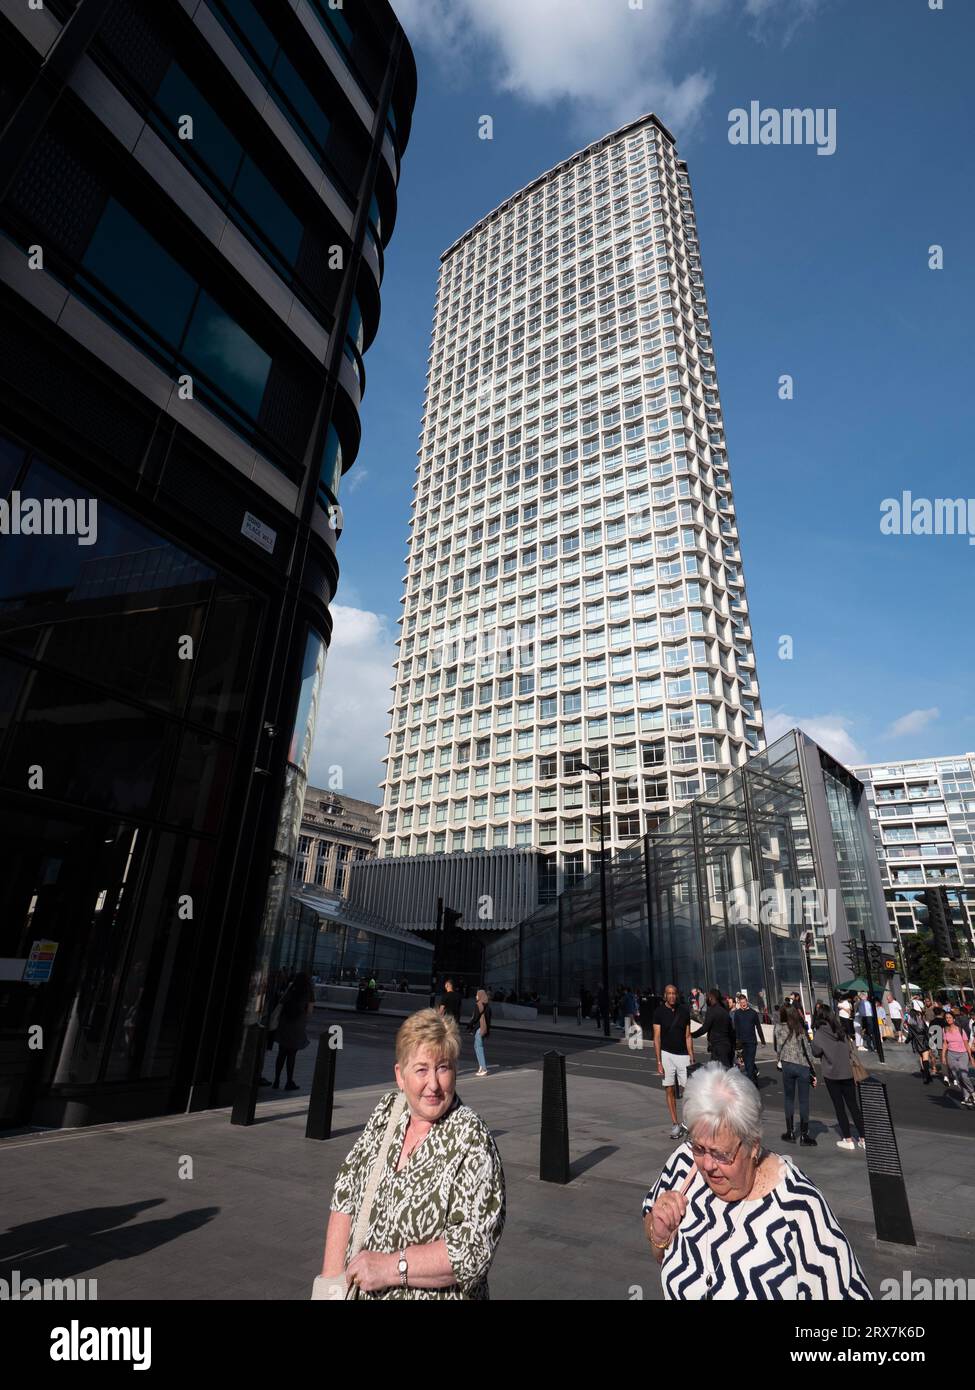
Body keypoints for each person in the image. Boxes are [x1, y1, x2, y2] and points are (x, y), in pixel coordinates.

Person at [316, 1010, 505, 1300]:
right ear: (399, 1076)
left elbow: (471, 1250)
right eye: (421, 1069)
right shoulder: (388, 1111)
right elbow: (346, 1192)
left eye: (443, 1067)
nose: (433, 1084)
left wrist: (390, 1267)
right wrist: (330, 1284)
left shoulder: (471, 1137)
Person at [641, 1063, 871, 1300]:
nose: (708, 1164)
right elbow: (654, 1234)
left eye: (720, 1153)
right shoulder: (684, 1164)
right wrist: (658, 1235)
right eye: (700, 1148)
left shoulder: (799, 1206)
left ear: (753, 1146)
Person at [812, 1007, 866, 1149]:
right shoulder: (840, 1030)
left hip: (831, 1073)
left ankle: (848, 1139)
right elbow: (849, 1049)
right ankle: (863, 1138)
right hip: (847, 1071)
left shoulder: (819, 1033)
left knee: (839, 1106)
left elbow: (816, 1051)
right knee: (853, 1105)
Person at [653, 984, 695, 1140]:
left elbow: (688, 1035)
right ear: (665, 995)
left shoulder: (684, 1011)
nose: (671, 996)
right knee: (669, 1089)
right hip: (666, 1054)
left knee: (688, 1090)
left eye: (674, 993)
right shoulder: (658, 1012)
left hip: (683, 1054)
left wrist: (691, 1055)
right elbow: (656, 1037)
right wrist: (658, 1061)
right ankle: (675, 1124)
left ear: (677, 995)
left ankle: (687, 1121)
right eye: (669, 993)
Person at [774, 1005, 818, 1146]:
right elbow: (808, 1050)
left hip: (787, 1064)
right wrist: (813, 1071)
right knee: (804, 1101)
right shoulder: (800, 1027)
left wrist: (779, 1058)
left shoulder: (779, 1028)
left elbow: (777, 1047)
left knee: (789, 1098)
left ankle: (790, 1132)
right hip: (802, 1065)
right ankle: (804, 1135)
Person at [273, 972, 314, 1090]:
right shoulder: (308, 991)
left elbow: (281, 1001)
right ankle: (289, 1081)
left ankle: (276, 1080)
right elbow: (310, 1011)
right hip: (297, 1023)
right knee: (292, 1054)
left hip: (285, 1022)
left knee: (281, 1052)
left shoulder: (292, 987)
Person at [690, 988, 736, 1068]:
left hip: (718, 1047)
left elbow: (705, 1028)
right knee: (722, 1070)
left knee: (721, 1072)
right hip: (726, 1046)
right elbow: (731, 1030)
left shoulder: (711, 1011)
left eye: (707, 997)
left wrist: (691, 1035)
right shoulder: (724, 1011)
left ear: (711, 998)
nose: (706, 999)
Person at [940, 1009, 975, 1107]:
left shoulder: (960, 1029)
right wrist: (943, 1056)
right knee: (958, 1077)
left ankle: (972, 1092)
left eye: (950, 1017)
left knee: (964, 1075)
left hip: (962, 1054)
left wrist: (970, 1057)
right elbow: (945, 1044)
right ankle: (966, 1096)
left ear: (954, 1019)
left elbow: (966, 1044)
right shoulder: (944, 1030)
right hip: (951, 1054)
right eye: (946, 1018)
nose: (948, 1019)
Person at [733, 993, 765, 1083]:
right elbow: (736, 1028)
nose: (743, 1004)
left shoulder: (753, 1013)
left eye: (744, 1002)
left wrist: (762, 1041)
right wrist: (736, 1043)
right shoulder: (737, 1013)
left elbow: (758, 1027)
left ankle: (751, 1085)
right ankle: (754, 1082)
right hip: (742, 1042)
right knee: (747, 1065)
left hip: (751, 1042)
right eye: (741, 1002)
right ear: (739, 1003)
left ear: (747, 1001)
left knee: (750, 1063)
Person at [904, 1009, 934, 1084]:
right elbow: (926, 1031)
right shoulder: (921, 1022)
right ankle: (926, 1076)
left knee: (921, 1057)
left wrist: (907, 1041)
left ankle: (926, 1075)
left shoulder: (910, 1023)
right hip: (924, 1041)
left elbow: (910, 1035)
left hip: (916, 1042)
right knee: (926, 1058)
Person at [467, 988, 492, 1077]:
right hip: (483, 1030)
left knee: (479, 1047)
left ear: (480, 995)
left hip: (479, 1029)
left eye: (477, 994)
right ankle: (481, 1067)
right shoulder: (488, 1006)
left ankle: (484, 1068)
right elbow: (489, 1021)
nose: (476, 996)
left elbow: (474, 1018)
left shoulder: (479, 1005)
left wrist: (469, 1026)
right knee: (477, 1046)